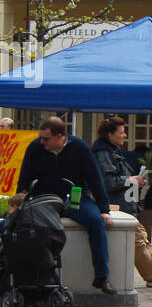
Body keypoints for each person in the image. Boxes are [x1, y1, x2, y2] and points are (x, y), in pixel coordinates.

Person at [17, 116, 117, 294]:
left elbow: (95, 180)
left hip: (75, 198)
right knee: (24, 224)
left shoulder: (79, 148)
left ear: (61, 136)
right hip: (45, 199)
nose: (42, 142)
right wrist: (19, 201)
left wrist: (104, 210)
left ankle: (102, 276)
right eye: (41, 138)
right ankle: (32, 276)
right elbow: (24, 178)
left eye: (46, 139)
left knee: (95, 222)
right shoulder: (35, 148)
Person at [92, 116, 152, 288]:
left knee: (142, 237)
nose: (125, 135)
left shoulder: (110, 152)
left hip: (124, 205)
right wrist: (130, 180)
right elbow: (108, 182)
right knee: (138, 241)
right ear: (110, 135)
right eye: (121, 132)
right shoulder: (104, 154)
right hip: (116, 206)